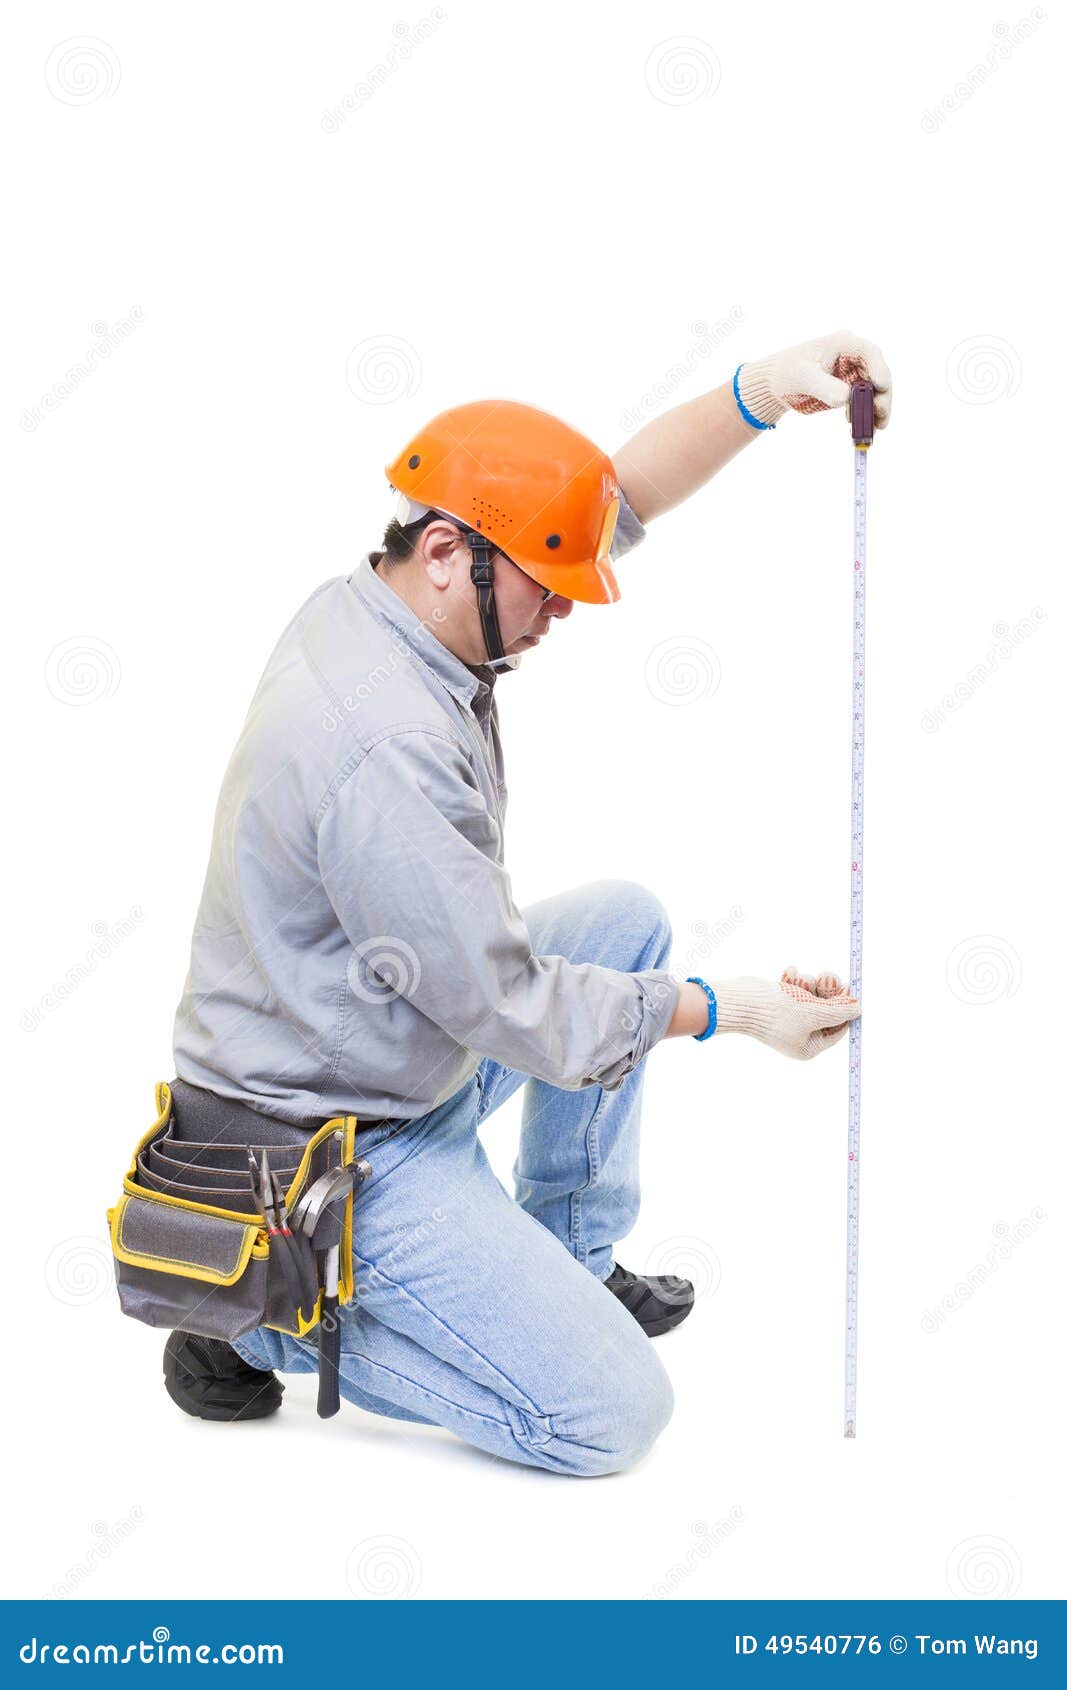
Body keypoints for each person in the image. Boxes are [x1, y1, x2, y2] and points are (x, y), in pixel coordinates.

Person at [164, 330, 891, 1475]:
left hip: (377, 1039)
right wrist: (735, 1008)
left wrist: (758, 394)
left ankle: (565, 1249)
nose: (565, 613)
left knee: (619, 918)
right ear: (452, 552)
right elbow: (514, 1007)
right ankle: (257, 1317)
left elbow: (605, 500)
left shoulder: (383, 597)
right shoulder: (381, 740)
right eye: (547, 592)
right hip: (335, 1151)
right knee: (610, 1416)